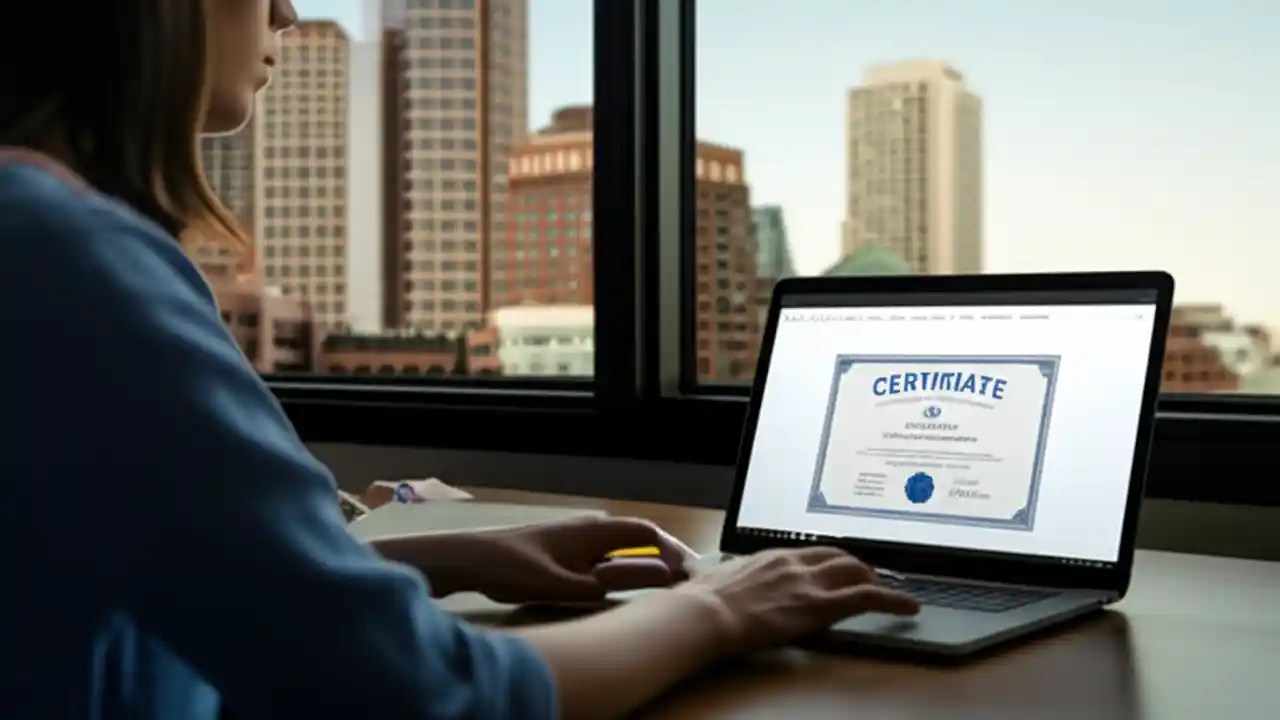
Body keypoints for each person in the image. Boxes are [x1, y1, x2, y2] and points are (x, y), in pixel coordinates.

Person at [0, 1, 919, 718]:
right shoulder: (61, 255)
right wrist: (721, 610)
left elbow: (174, 569)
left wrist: (454, 555)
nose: (283, 12)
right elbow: (425, 696)